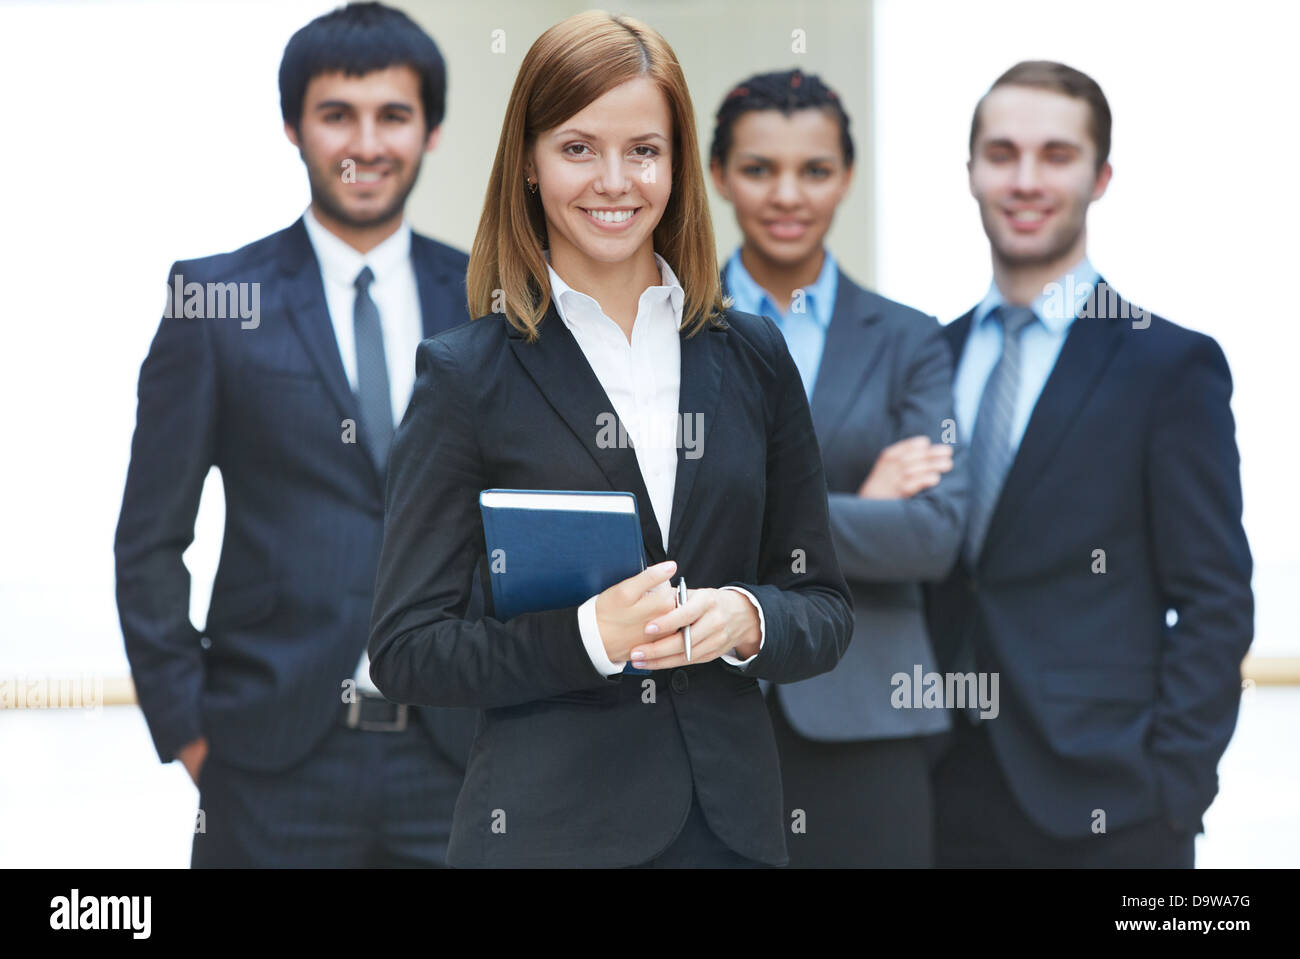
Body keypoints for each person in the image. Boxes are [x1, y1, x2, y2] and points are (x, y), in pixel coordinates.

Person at [367, 10, 853, 869]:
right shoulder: (465, 374)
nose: (615, 181)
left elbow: (823, 606)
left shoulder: (752, 355)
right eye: (579, 147)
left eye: (644, 150)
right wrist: (591, 635)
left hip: (731, 832)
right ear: (528, 159)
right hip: (549, 835)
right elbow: (407, 648)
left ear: (677, 165)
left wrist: (747, 616)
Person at [115, 2, 477, 867]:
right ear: (292, 125)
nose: (365, 142)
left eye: (393, 114)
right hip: (266, 767)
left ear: (430, 130)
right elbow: (149, 541)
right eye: (336, 114)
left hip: (456, 759)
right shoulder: (213, 302)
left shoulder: (489, 302)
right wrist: (191, 732)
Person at [926, 61, 1254, 868]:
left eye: (1057, 155)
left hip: (1112, 807)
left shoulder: (1169, 366)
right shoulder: (930, 354)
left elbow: (1213, 598)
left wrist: (1174, 789)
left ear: (1100, 176)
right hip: (938, 796)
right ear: (971, 171)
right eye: (1001, 153)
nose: (1026, 179)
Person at [709, 68, 966, 868]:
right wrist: (856, 503)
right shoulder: (667, 321)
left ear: (847, 176)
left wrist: (750, 512)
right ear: (717, 175)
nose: (788, 194)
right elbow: (644, 522)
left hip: (869, 722)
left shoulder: (907, 339)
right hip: (702, 708)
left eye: (814, 170)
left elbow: (933, 536)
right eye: (759, 169)